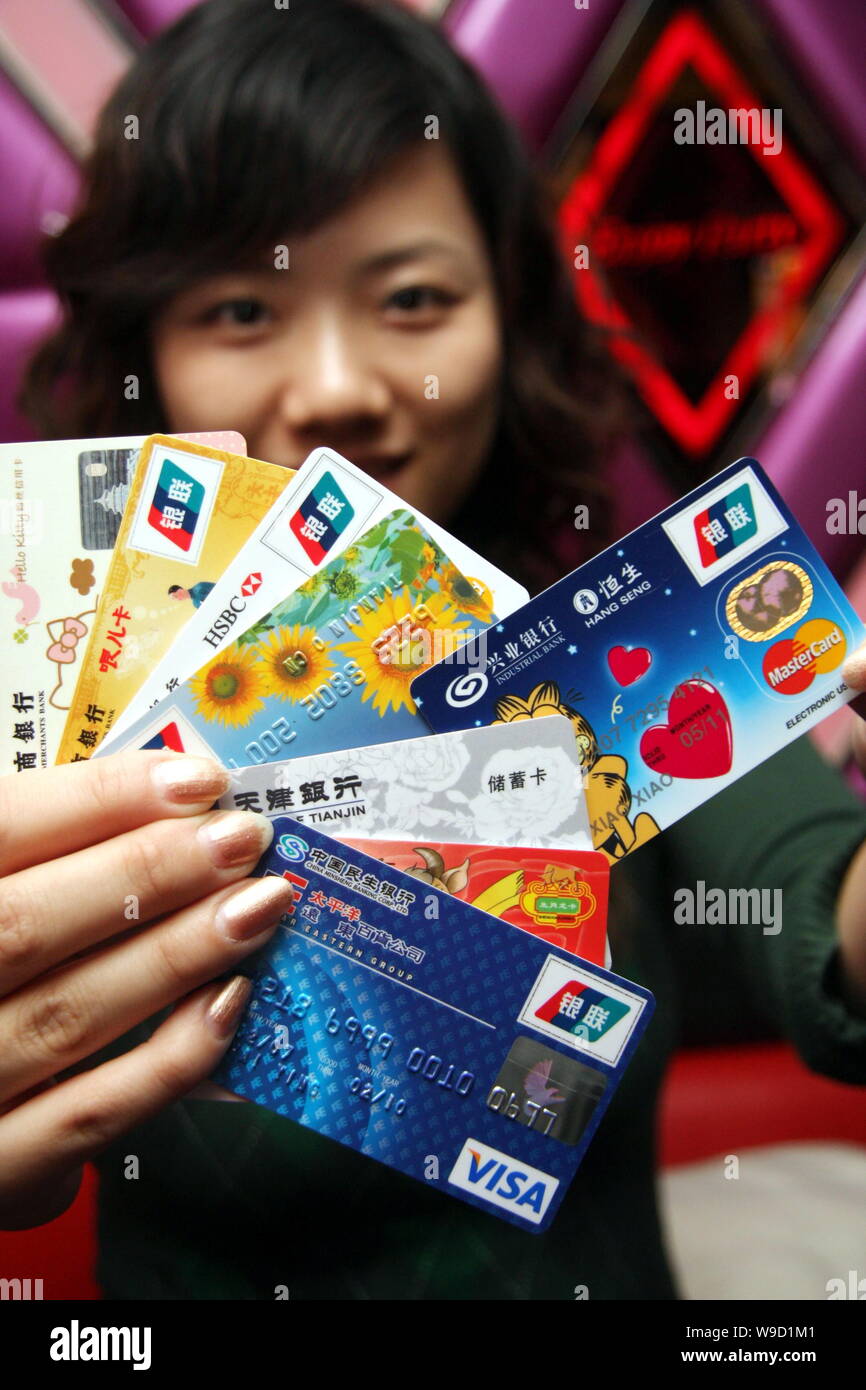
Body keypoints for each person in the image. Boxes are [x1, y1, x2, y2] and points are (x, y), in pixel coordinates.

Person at [3, 0, 866, 1299]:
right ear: (148, 352)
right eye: (241, 310)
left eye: (410, 296)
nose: (340, 383)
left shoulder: (606, 644)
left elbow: (823, 903)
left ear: (506, 317)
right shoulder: (57, 700)